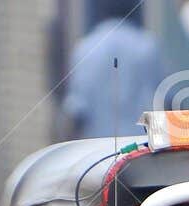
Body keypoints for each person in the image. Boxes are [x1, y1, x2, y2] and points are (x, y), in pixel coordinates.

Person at [62, 0, 166, 139]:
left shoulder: (84, 49)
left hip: (99, 152)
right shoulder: (148, 46)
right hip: (142, 149)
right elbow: (166, 101)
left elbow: (76, 111)